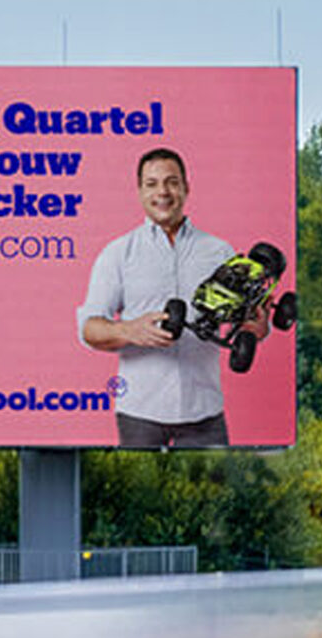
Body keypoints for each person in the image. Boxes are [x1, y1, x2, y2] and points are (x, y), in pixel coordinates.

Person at [76, 146, 267, 448]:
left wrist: (255, 329)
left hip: (204, 412)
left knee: (215, 496)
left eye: (171, 182)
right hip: (140, 413)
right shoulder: (117, 254)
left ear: (186, 188)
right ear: (139, 192)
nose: (162, 192)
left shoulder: (220, 253)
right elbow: (88, 328)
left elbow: (246, 323)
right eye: (151, 184)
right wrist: (129, 330)